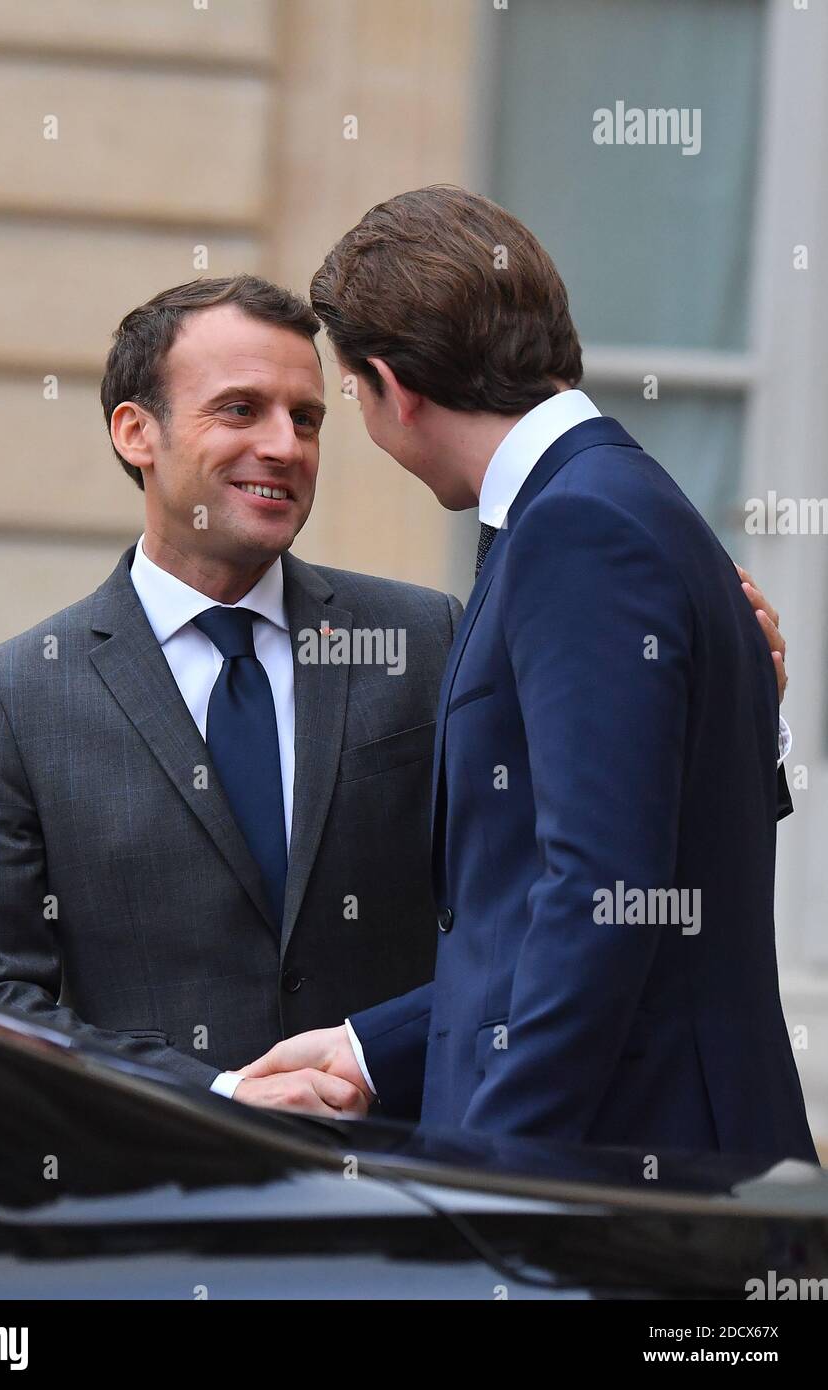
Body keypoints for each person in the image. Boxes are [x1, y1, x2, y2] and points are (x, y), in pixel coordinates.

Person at [242, 187, 816, 1164]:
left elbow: (601, 895)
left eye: (347, 397)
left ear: (394, 384)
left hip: (625, 1191)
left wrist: (492, 1180)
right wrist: (368, 1051)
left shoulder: (577, 527)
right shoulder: (620, 499)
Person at [0, 275, 461, 1118]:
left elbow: (523, 910)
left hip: (413, 1189)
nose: (285, 445)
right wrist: (220, 1094)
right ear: (137, 432)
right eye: (240, 410)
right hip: (158, 1195)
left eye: (306, 417)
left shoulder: (422, 639)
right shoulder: (19, 698)